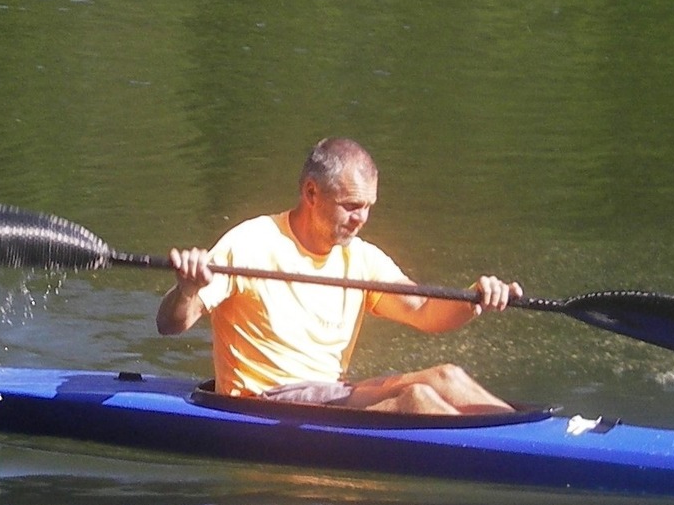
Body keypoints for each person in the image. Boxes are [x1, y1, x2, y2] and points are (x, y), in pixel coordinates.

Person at [155, 137, 522, 415]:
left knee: (447, 377)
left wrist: (474, 298)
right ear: (311, 193)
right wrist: (186, 290)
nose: (361, 219)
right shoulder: (250, 243)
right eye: (351, 206)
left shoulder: (361, 258)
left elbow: (425, 312)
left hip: (327, 394)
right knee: (416, 399)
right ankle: (508, 459)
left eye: (368, 207)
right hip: (265, 403)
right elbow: (170, 324)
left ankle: (529, 438)